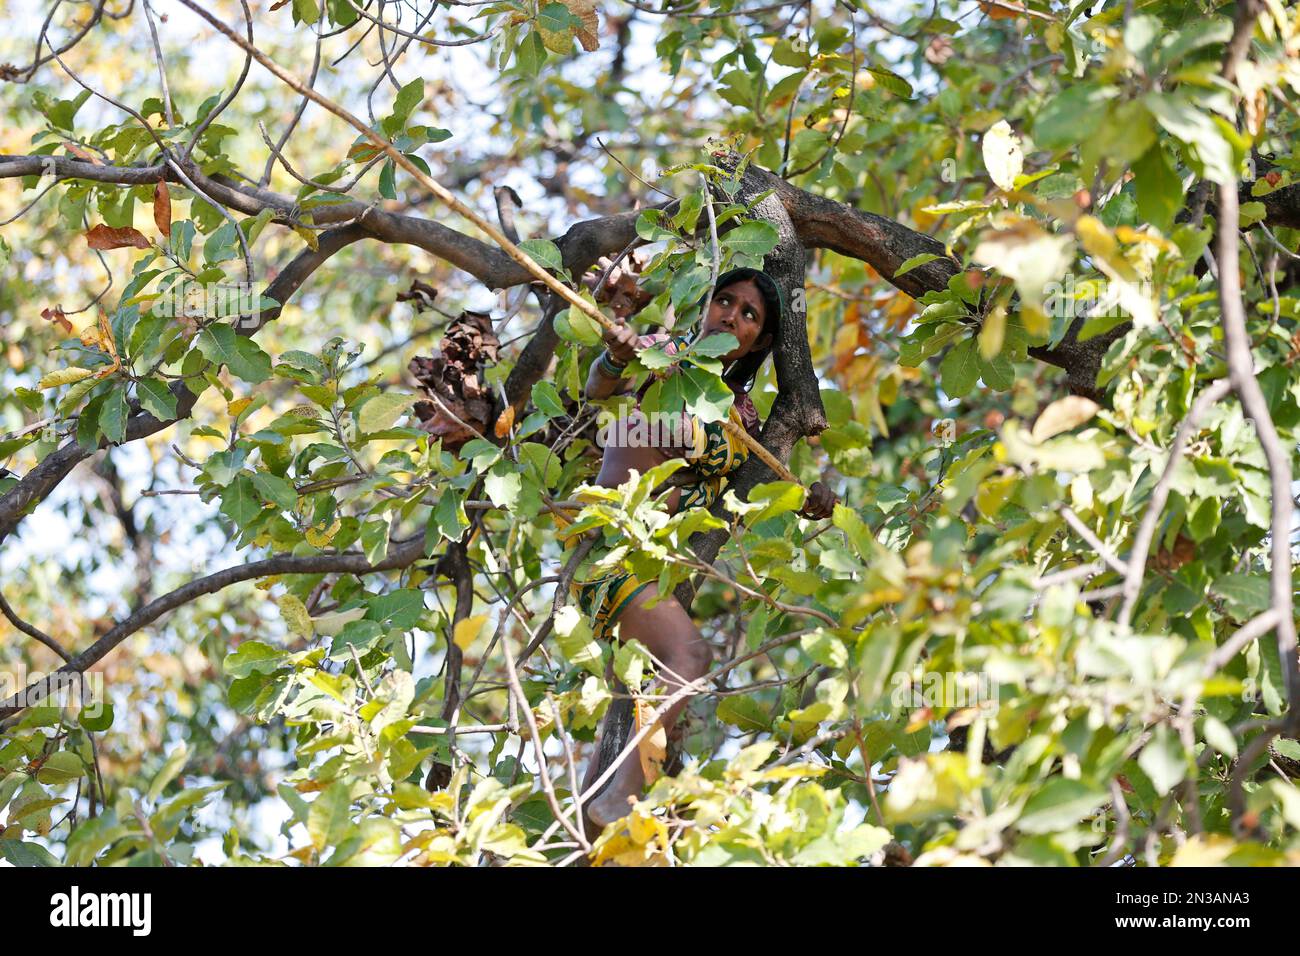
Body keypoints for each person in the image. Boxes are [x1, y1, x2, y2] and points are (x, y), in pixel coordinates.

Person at [571, 267, 836, 833]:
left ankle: (618, 809)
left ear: (759, 341)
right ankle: (622, 799)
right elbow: (599, 388)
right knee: (690, 657)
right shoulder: (664, 356)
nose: (731, 316)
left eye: (749, 315)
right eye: (726, 301)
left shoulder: (740, 415)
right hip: (618, 546)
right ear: (706, 305)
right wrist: (616, 357)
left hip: (661, 571)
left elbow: (754, 493)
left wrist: (804, 499)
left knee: (653, 686)